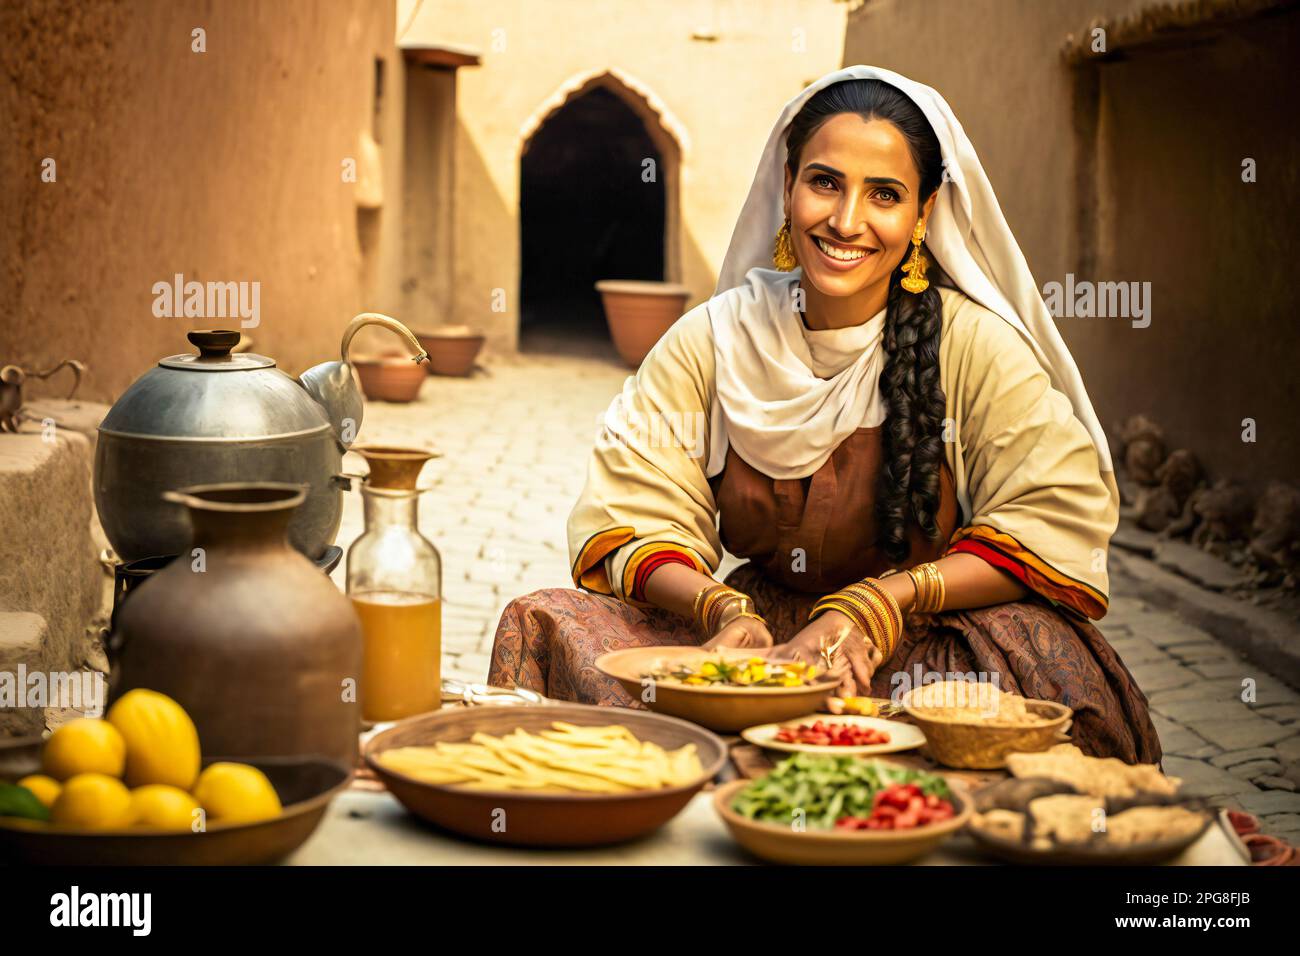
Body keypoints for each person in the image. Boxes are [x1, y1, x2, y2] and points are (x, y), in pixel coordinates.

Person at [489, 66, 1160, 764]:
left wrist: (880, 603)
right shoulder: (717, 339)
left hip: (926, 647)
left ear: (924, 213)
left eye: (885, 195)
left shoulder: (973, 346)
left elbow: (1052, 516)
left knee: (1045, 671)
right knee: (547, 621)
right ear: (787, 186)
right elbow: (631, 511)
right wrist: (720, 611)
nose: (845, 221)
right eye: (825, 182)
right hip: (760, 649)